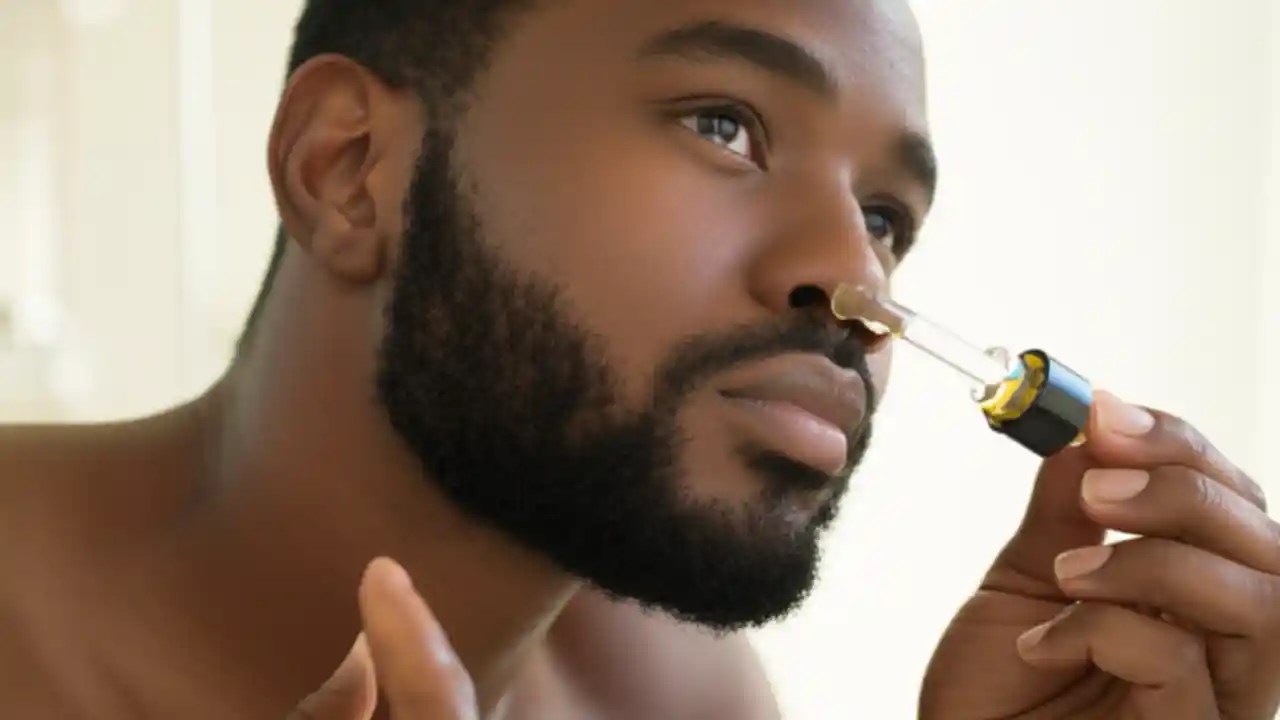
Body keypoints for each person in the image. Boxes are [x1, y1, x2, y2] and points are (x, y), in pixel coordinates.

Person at [2, 0, 1278, 717]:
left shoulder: (679, 698)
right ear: (348, 170)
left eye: (887, 220)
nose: (854, 288)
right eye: (724, 125)